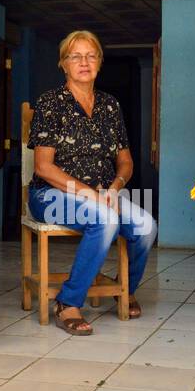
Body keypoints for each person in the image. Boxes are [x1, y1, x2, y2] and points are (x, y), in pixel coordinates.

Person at [27, 30, 157, 335]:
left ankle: (126, 289)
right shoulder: (50, 103)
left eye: (91, 55)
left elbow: (125, 161)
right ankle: (68, 302)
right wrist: (89, 195)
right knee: (106, 220)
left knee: (147, 227)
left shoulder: (110, 106)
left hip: (102, 194)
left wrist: (114, 187)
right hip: (51, 194)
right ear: (63, 64)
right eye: (76, 56)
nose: (84, 62)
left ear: (99, 61)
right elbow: (43, 167)